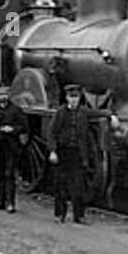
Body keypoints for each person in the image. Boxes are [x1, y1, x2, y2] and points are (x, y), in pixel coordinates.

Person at [49, 84, 93, 223]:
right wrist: (52, 151)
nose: (74, 100)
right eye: (71, 97)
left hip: (78, 153)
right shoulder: (60, 113)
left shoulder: (84, 112)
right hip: (63, 151)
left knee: (78, 185)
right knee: (60, 184)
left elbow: (99, 112)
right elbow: (52, 133)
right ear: (67, 98)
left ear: (80, 98)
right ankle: (59, 214)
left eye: (76, 97)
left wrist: (111, 115)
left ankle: (79, 215)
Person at [0, 84, 28, 210]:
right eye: (0, 94)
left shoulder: (16, 110)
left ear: (9, 95)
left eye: (4, 94)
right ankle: (0, 201)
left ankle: (10, 203)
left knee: (9, 174)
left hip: (10, 146)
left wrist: (13, 129)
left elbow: (25, 126)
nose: (2, 97)